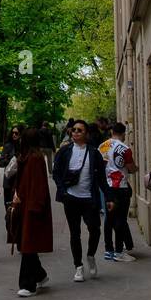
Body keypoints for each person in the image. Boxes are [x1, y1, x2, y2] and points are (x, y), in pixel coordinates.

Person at [53, 119, 111, 281]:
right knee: (75, 233)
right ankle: (78, 266)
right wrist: (62, 190)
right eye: (74, 130)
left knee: (95, 229)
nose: (75, 132)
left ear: (86, 134)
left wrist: (109, 197)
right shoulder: (64, 152)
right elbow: (56, 172)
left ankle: (90, 256)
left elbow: (101, 178)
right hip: (70, 198)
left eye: (79, 130)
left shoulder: (94, 153)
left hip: (89, 199)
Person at [6, 127, 53, 296]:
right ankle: (40, 275)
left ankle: (28, 284)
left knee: (28, 244)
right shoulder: (27, 158)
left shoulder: (35, 159)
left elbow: (38, 185)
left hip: (32, 207)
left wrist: (34, 207)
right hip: (26, 205)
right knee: (27, 244)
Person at [100, 122, 138, 261]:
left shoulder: (102, 147)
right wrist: (135, 168)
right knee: (121, 219)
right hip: (120, 186)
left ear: (111, 132)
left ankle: (108, 250)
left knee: (109, 219)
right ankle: (119, 252)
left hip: (107, 186)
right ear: (123, 133)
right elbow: (131, 167)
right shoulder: (125, 148)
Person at [0, 125, 22, 211]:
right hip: (9, 181)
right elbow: (1, 163)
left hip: (20, 181)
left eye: (16, 133)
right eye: (12, 133)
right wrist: (11, 158)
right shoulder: (8, 146)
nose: (14, 135)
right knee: (8, 209)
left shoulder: (24, 147)